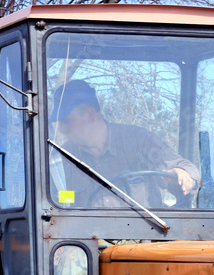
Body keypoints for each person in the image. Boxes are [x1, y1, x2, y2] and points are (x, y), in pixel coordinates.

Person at [50, 79, 201, 206]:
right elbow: (57, 204)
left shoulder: (139, 141)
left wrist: (182, 174)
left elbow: (189, 169)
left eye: (67, 121)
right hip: (87, 240)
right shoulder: (63, 160)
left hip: (147, 237)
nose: (62, 129)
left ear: (89, 114)